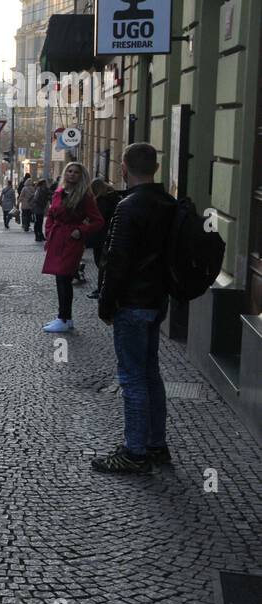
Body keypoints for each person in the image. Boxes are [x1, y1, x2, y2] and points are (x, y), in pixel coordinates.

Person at [93, 143, 178, 473]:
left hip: (132, 303)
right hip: (157, 302)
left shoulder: (128, 207)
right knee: (150, 375)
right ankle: (156, 445)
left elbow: (117, 261)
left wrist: (106, 302)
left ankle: (135, 452)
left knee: (132, 379)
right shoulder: (169, 204)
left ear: (125, 168)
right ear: (155, 168)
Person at [41, 162, 105, 333]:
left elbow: (98, 221)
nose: (72, 174)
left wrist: (81, 230)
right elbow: (51, 215)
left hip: (71, 241)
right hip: (56, 238)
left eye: (76, 172)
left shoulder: (84, 196)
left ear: (81, 176)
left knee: (64, 278)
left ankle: (64, 318)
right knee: (59, 278)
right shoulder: (58, 193)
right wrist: (49, 231)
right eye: (69, 171)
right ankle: (65, 318)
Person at [86, 177, 124, 300]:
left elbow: (98, 219)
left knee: (101, 263)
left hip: (101, 236)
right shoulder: (114, 198)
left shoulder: (102, 201)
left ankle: (102, 289)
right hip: (108, 234)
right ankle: (103, 288)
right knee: (103, 263)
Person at [31, 177, 49, 242]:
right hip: (37, 208)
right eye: (44, 183)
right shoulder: (38, 190)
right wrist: (42, 204)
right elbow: (36, 199)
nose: (46, 184)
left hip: (41, 209)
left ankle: (40, 235)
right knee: (37, 222)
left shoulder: (44, 190)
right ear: (41, 184)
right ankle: (37, 236)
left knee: (40, 222)